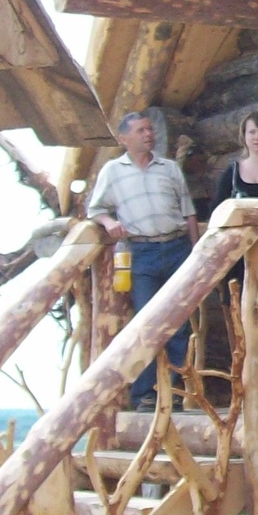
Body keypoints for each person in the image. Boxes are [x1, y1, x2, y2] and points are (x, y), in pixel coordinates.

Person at [88, 110, 198, 409]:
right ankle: (145, 394)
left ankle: (173, 392)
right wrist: (109, 223)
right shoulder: (113, 171)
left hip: (177, 248)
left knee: (179, 324)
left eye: (149, 129)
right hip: (142, 252)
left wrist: (195, 252)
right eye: (141, 131)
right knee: (145, 325)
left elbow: (188, 211)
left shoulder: (169, 168)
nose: (148, 135)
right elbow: (95, 209)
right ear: (124, 139)